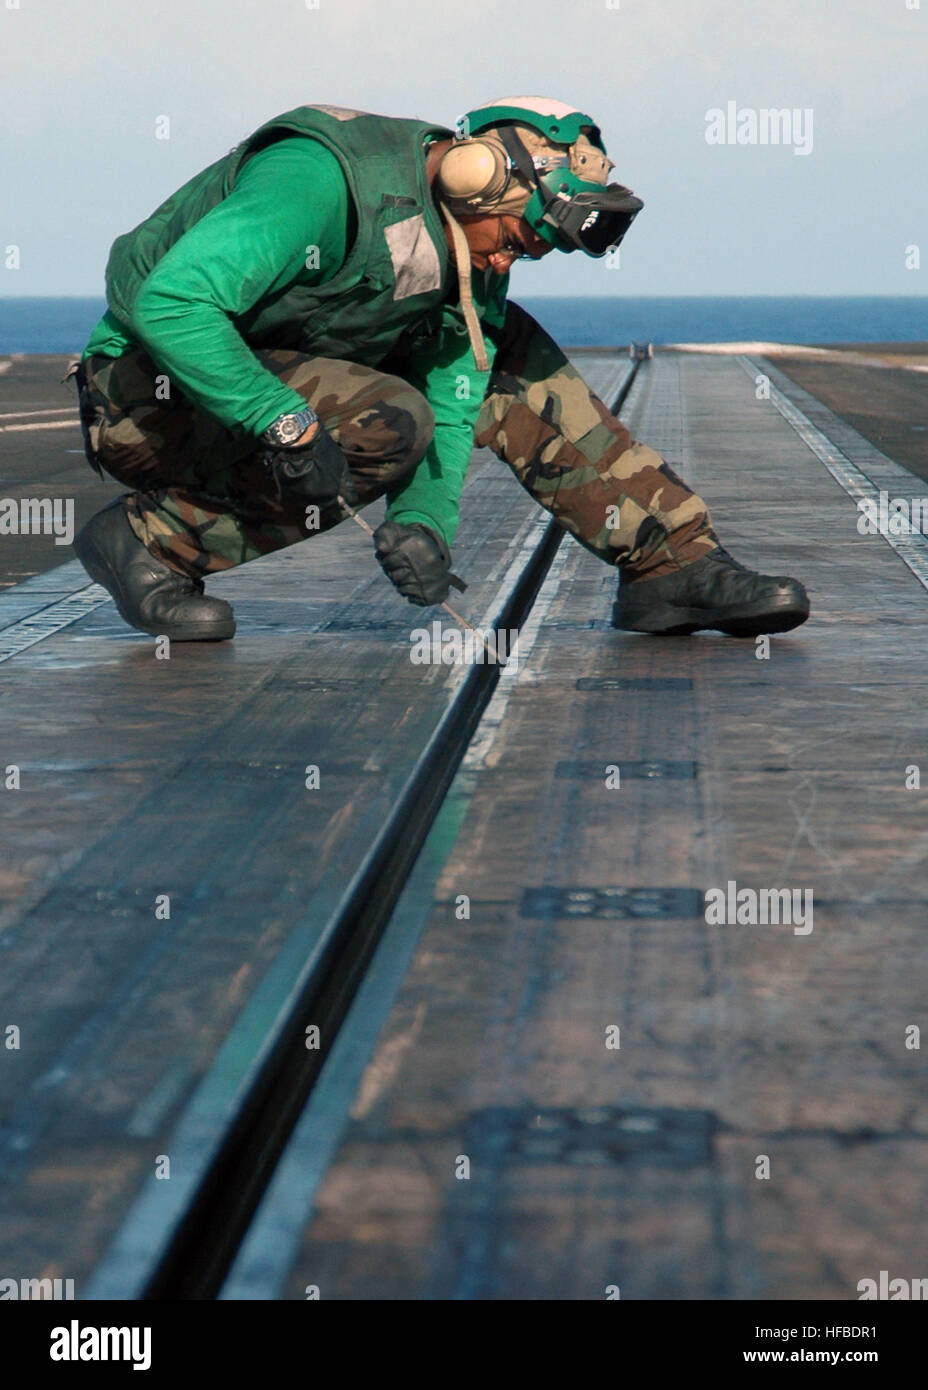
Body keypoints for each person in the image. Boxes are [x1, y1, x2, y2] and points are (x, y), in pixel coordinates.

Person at [71, 96, 809, 642]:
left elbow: (460, 392)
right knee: (388, 422)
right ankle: (150, 542)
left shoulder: (467, 258)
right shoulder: (320, 178)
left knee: (507, 356)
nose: (510, 260)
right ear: (479, 178)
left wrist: (425, 522)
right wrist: (285, 423)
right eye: (520, 239)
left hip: (264, 382)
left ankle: (669, 561)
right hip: (144, 398)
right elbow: (170, 304)